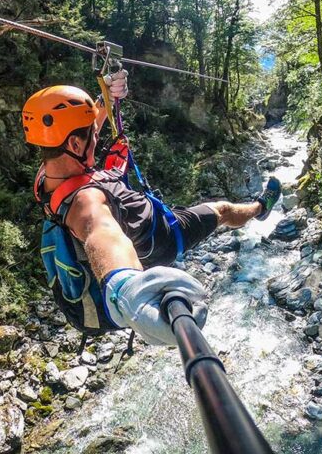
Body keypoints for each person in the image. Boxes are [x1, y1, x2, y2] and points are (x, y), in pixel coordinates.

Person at [22, 72, 282, 345]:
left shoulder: (46, 178)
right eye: (91, 135)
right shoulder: (86, 202)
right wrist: (126, 288)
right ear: (75, 144)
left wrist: (106, 97)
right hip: (166, 238)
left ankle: (257, 207)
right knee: (222, 210)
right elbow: (101, 234)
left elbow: (89, 128)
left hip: (147, 227)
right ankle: (260, 207)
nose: (97, 138)